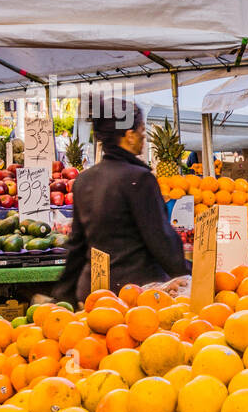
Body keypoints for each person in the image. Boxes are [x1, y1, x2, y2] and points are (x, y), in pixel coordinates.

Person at [53, 100, 188, 304]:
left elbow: (77, 245)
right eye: (142, 129)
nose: (144, 135)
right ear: (129, 134)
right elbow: (161, 241)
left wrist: (63, 294)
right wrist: (192, 274)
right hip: (135, 295)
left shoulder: (84, 179)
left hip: (94, 293)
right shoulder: (140, 179)